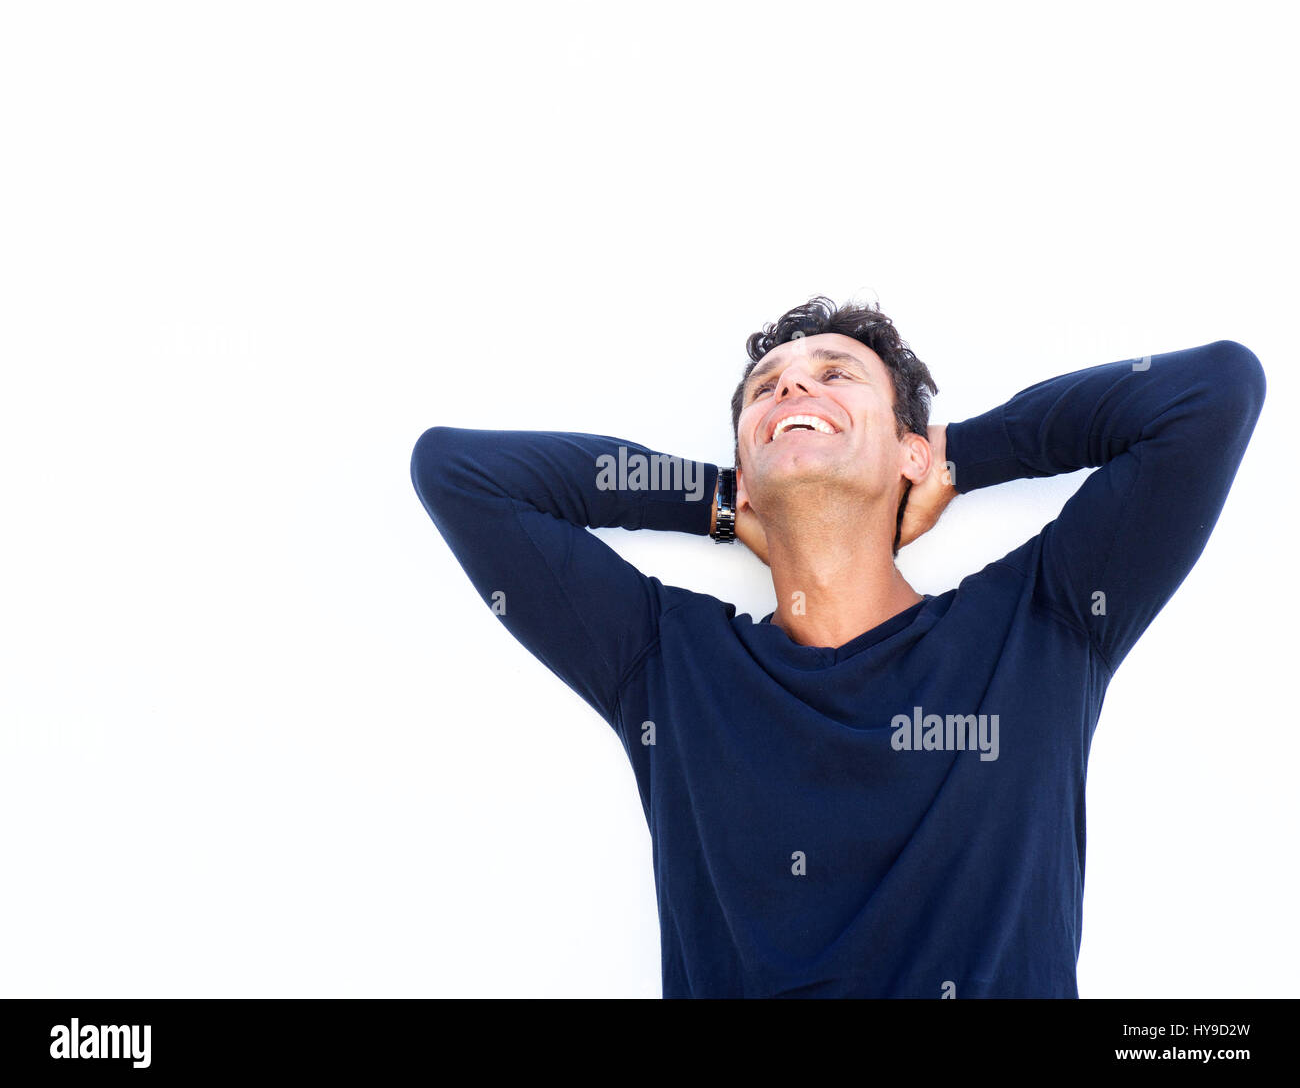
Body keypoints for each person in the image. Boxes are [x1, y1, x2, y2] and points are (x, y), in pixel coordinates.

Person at [409, 295, 1266, 998]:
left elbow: (1212, 392)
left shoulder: (1044, 624)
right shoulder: (667, 667)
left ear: (909, 448)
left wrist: (953, 457)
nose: (790, 392)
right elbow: (456, 473)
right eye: (767, 390)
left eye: (834, 375)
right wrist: (717, 498)